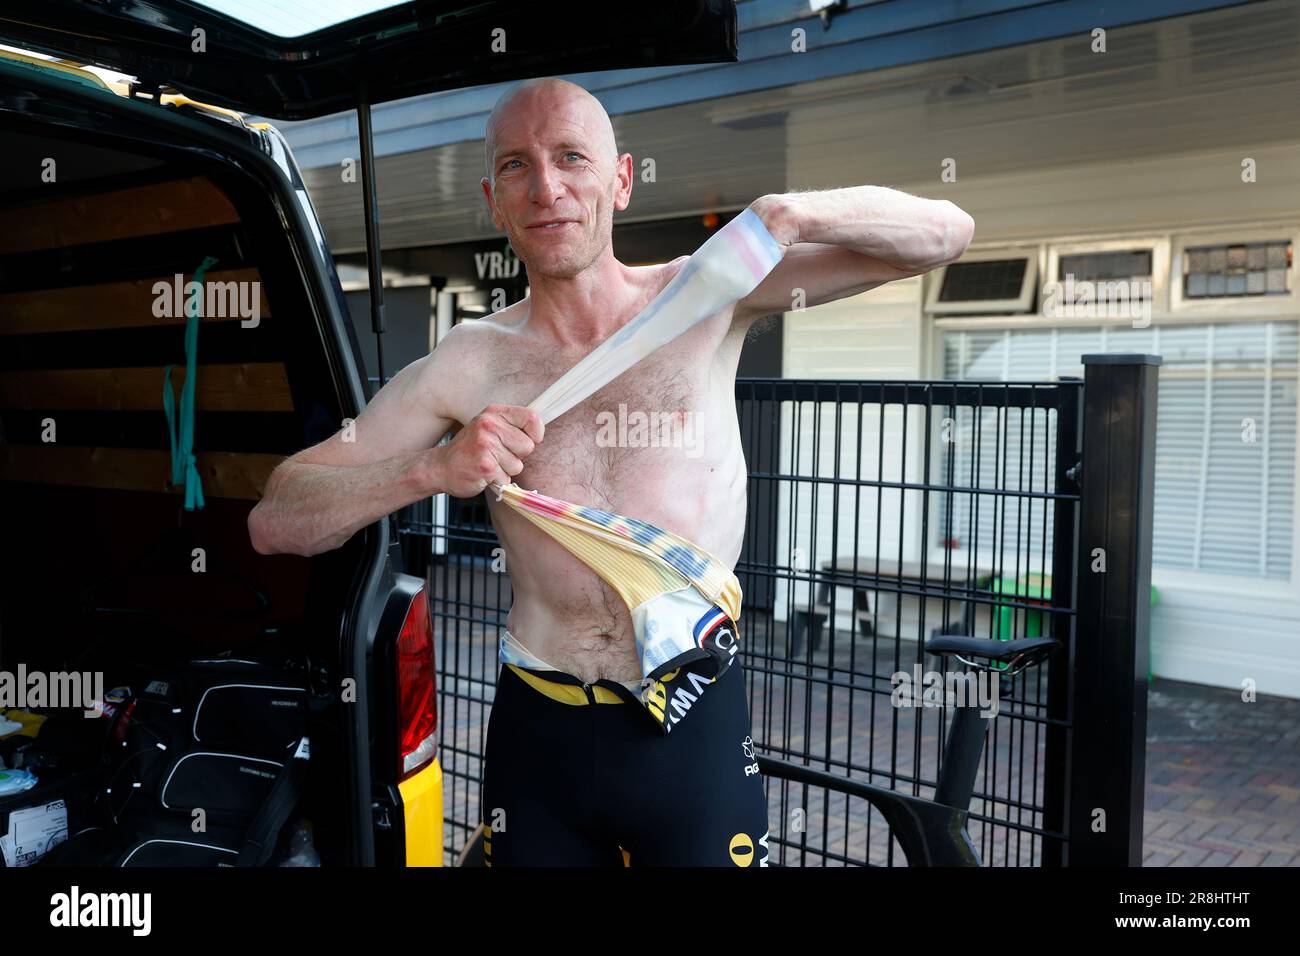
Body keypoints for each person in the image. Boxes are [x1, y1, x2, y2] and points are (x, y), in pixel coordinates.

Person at [247, 76, 974, 866]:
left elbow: (948, 232)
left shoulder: (708, 295)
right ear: (493, 200)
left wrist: (789, 216)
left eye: (571, 158)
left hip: (689, 724)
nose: (548, 187)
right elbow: (277, 517)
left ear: (621, 179)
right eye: (518, 166)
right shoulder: (469, 361)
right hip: (540, 732)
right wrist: (430, 469)